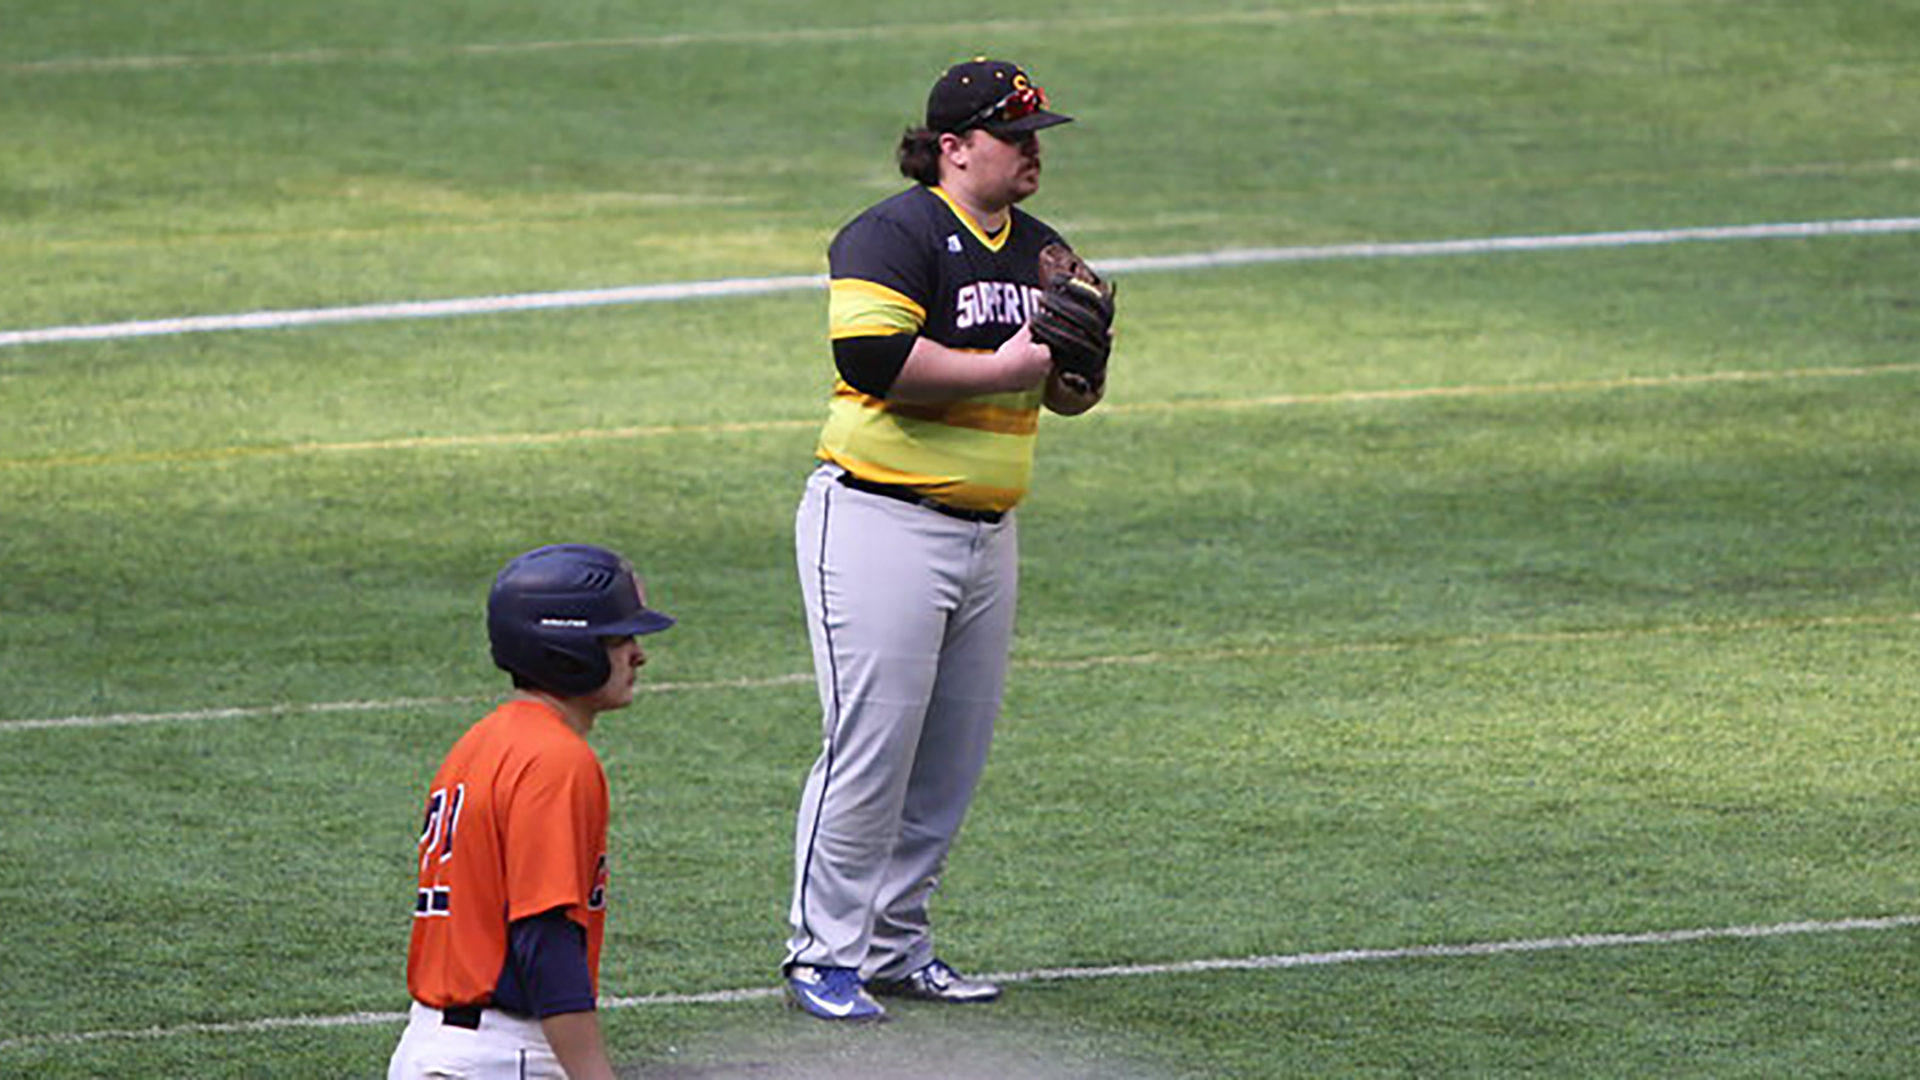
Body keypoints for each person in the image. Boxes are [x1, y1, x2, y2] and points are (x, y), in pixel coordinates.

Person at [782, 57, 1104, 1023]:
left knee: (949, 760)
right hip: (879, 519)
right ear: (954, 148)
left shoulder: (1045, 251)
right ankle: (820, 954)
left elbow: (1068, 396)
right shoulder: (891, 234)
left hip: (988, 535)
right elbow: (873, 359)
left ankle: (893, 945)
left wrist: (1079, 368)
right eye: (1015, 136)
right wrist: (1005, 365)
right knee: (870, 748)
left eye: (1038, 137)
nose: (1033, 153)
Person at [389, 543, 675, 1078]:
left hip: (438, 1045)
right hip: (500, 1055)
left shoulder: (480, 743)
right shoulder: (555, 759)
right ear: (569, 648)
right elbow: (545, 939)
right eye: (619, 639)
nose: (639, 655)